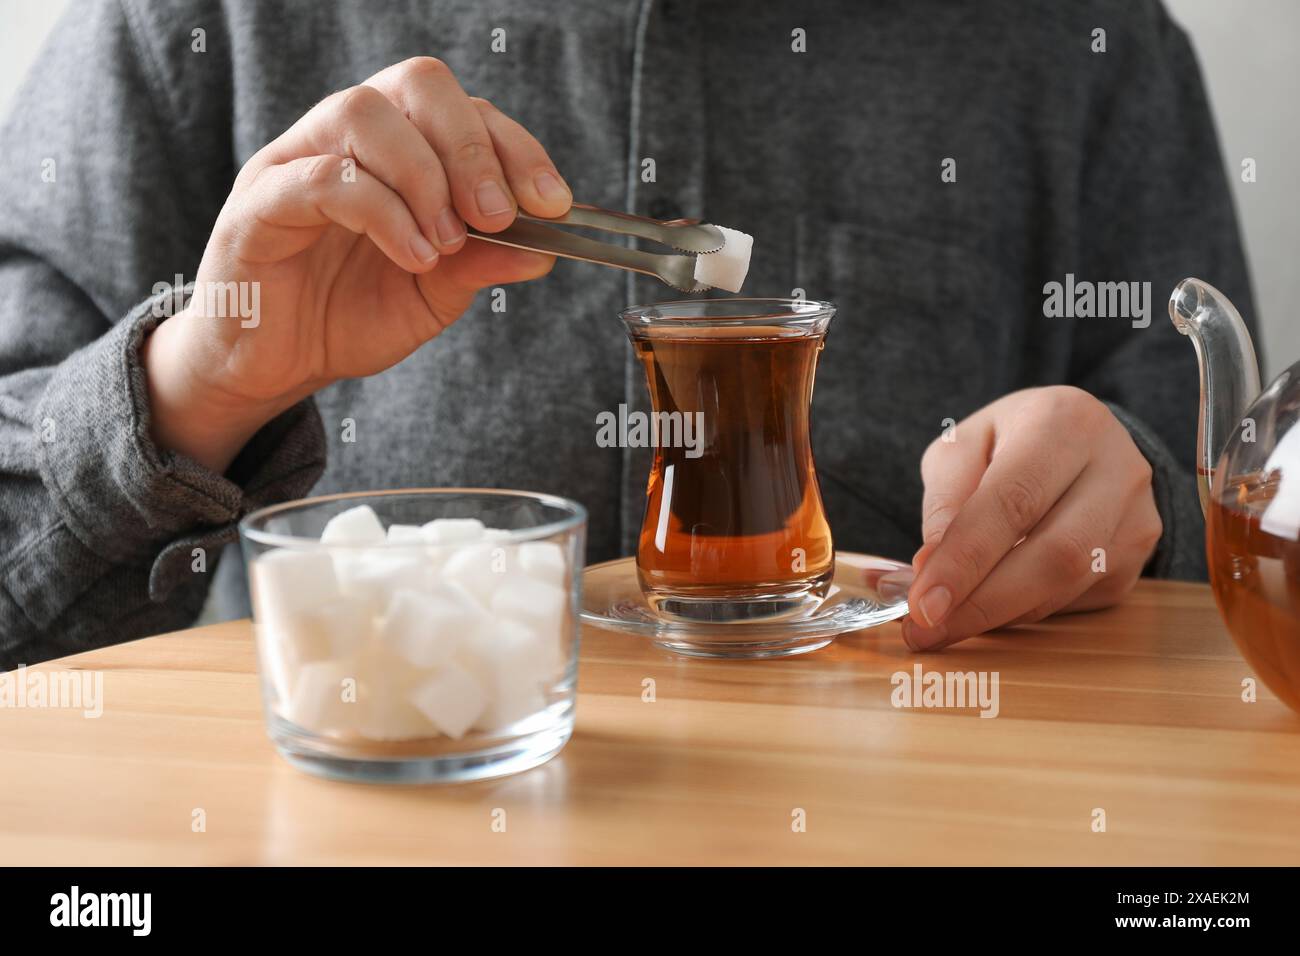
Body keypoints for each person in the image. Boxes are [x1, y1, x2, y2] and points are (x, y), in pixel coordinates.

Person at [0, 0, 1254, 666]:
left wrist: (1130, 493)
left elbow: (1226, 516)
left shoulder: (1086, 41)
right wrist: (197, 389)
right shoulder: (186, 21)